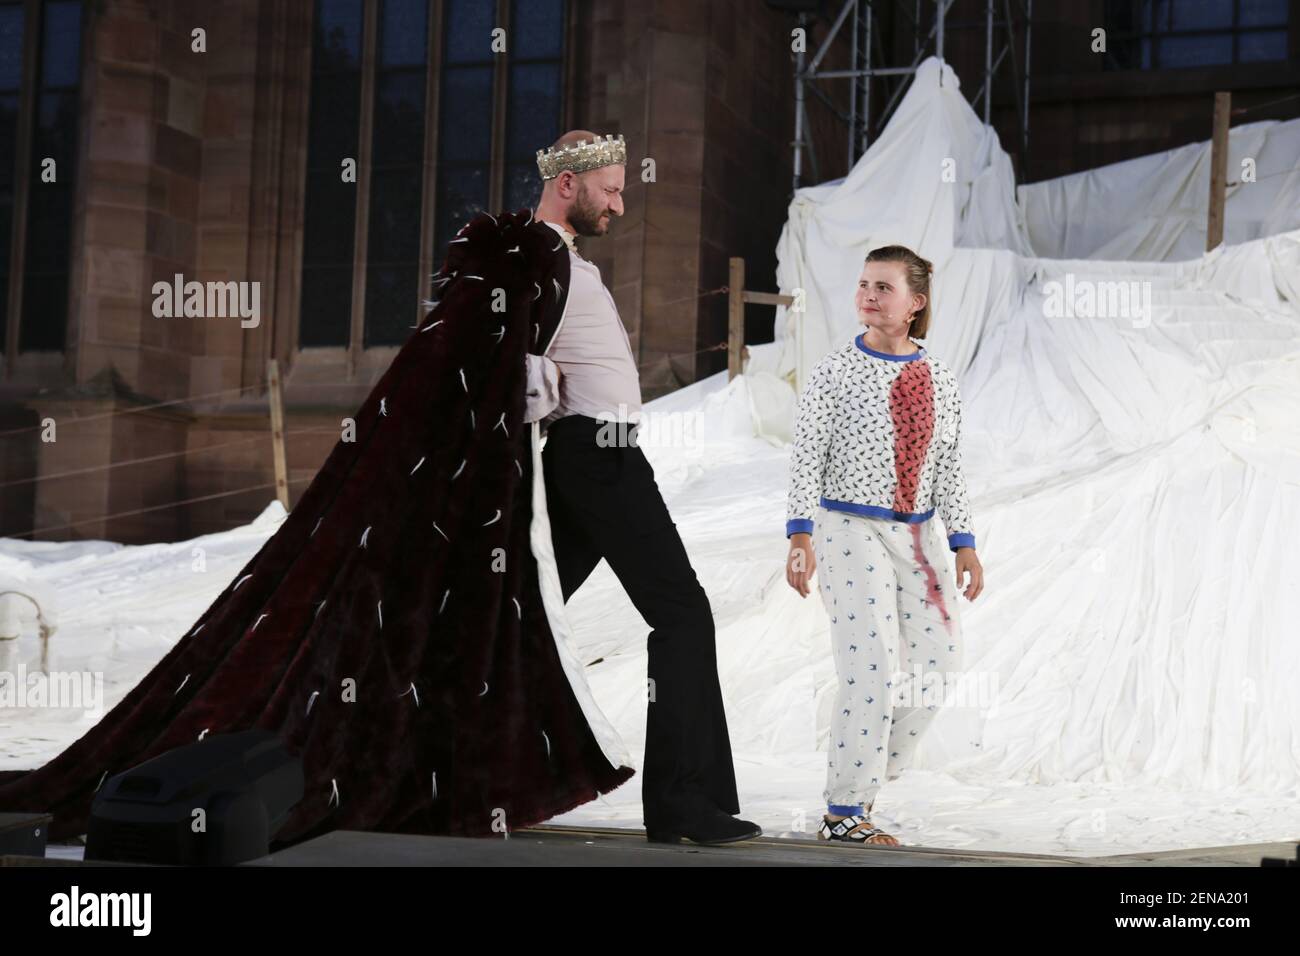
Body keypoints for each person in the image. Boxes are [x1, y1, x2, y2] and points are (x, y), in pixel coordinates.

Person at [526, 130, 760, 845]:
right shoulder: (539, 257)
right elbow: (516, 360)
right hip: (597, 456)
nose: (621, 205)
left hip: (596, 454)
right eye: (612, 190)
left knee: (528, 616)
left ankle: (445, 757)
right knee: (683, 614)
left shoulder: (558, 259)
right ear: (569, 184)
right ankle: (683, 801)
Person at [784, 245, 985, 847]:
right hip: (847, 528)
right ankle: (844, 811)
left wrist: (965, 542)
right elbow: (806, 456)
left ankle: (866, 771)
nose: (868, 295)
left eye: (884, 287)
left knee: (940, 666)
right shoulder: (834, 370)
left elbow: (948, 465)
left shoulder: (939, 376)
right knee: (869, 666)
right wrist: (799, 534)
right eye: (863, 284)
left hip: (919, 537)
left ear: (915, 303)